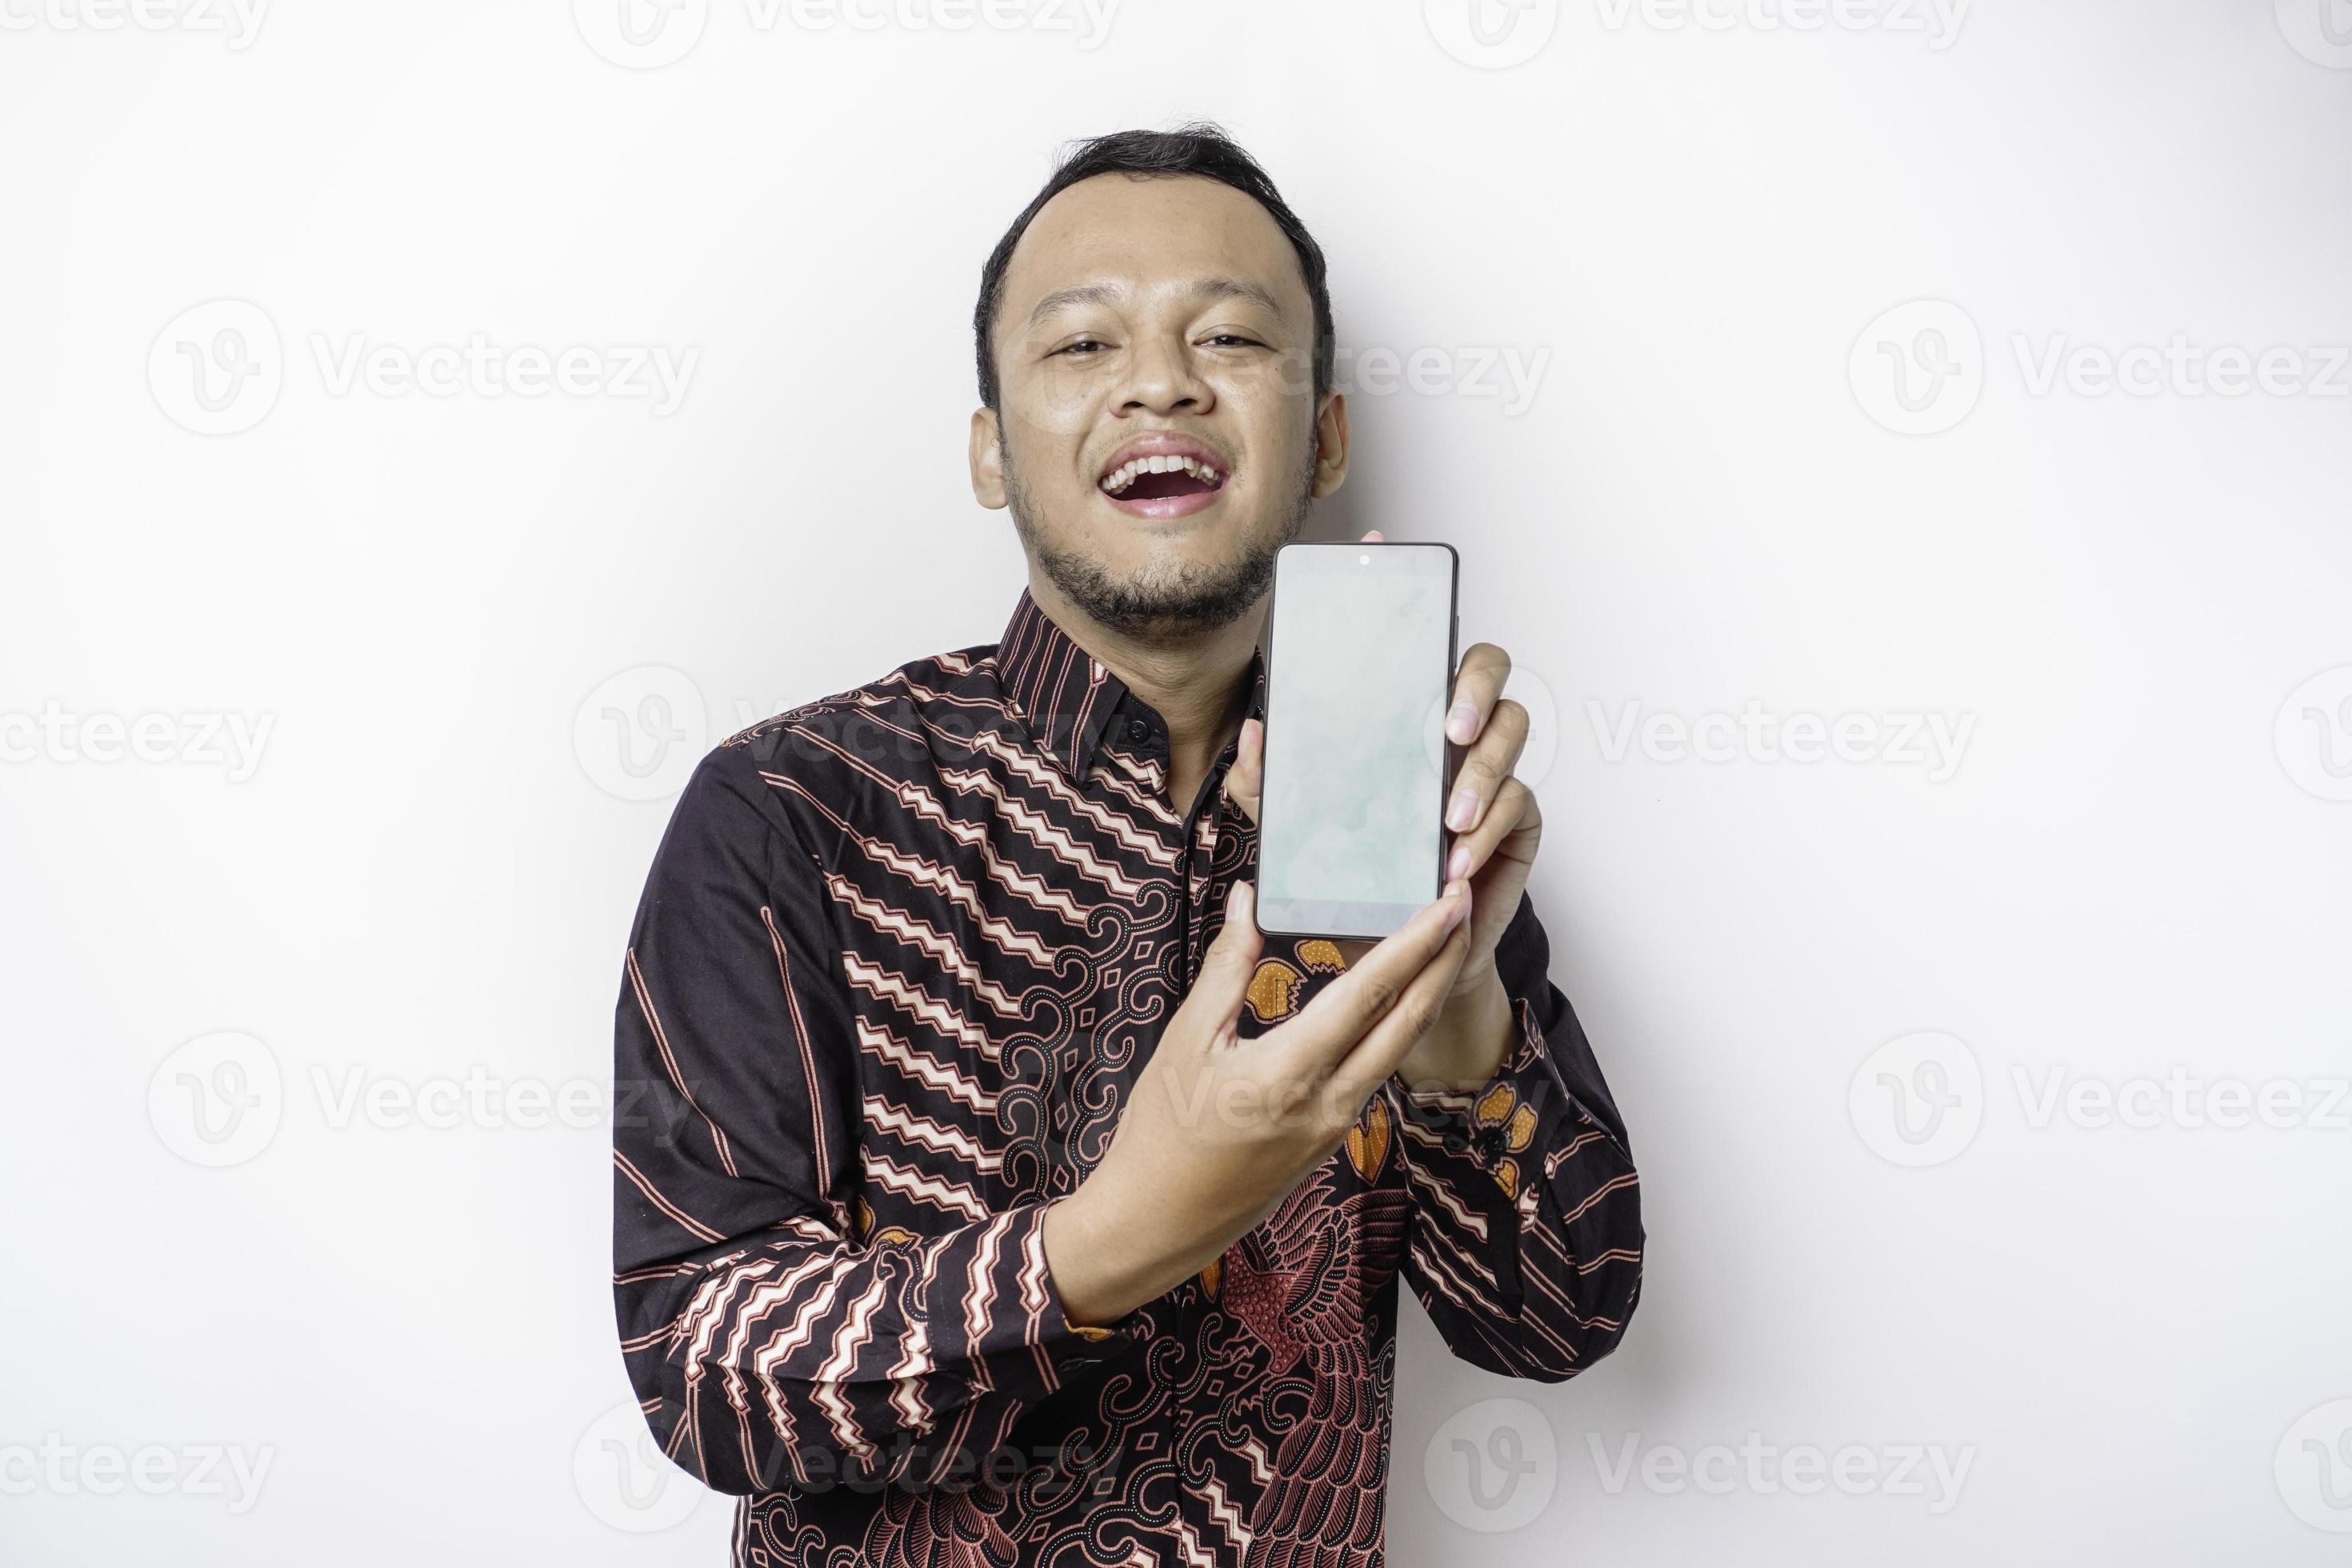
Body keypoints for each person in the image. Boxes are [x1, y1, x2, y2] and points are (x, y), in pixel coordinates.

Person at [610, 122, 1643, 1566]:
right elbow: (698, 1367)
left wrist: (1457, 1011)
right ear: (990, 448)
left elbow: (1556, 1315)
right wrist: (1117, 1236)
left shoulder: (1401, 817)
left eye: (1227, 335)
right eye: (1083, 345)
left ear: (1326, 437)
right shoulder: (790, 810)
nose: (1160, 381)